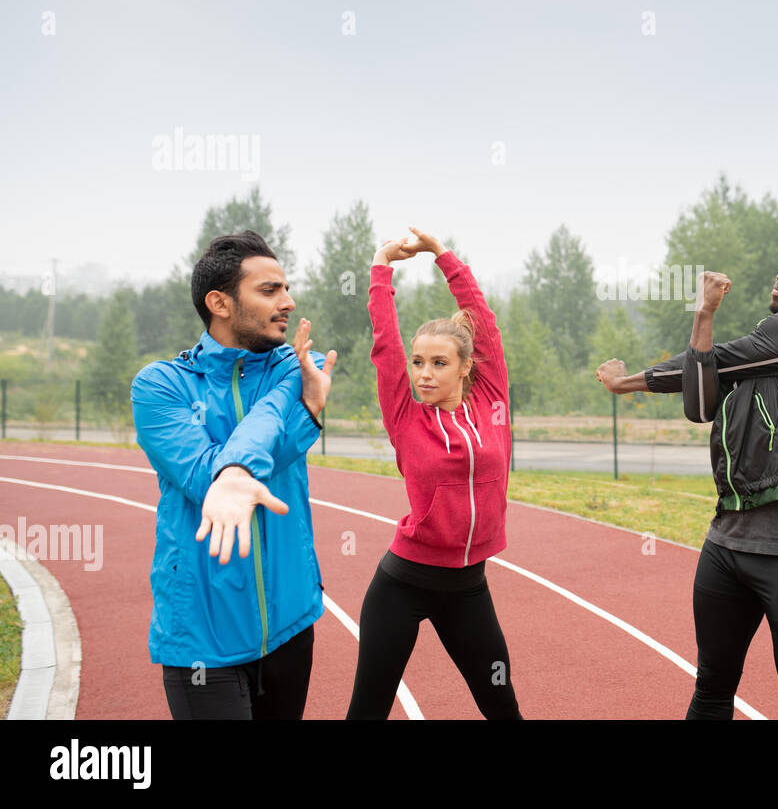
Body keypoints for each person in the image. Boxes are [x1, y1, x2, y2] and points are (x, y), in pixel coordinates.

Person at [596, 233, 778, 719]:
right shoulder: (769, 348)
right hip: (725, 543)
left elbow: (713, 359)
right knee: (712, 688)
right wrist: (631, 382)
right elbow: (701, 399)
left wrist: (703, 314)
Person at [131, 229, 337, 719]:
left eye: (286, 288)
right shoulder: (160, 386)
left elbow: (265, 450)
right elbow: (207, 478)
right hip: (204, 638)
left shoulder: (290, 363)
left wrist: (300, 407)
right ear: (219, 303)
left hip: (290, 623)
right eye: (269, 291)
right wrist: (297, 408)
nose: (287, 302)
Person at [346, 226, 522, 719]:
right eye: (419, 361)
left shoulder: (492, 402)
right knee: (368, 712)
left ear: (466, 367)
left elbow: (484, 322)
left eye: (439, 363)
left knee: (502, 706)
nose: (424, 372)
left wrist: (443, 256)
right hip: (402, 584)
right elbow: (385, 345)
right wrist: (381, 268)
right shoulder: (406, 415)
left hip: (469, 589)